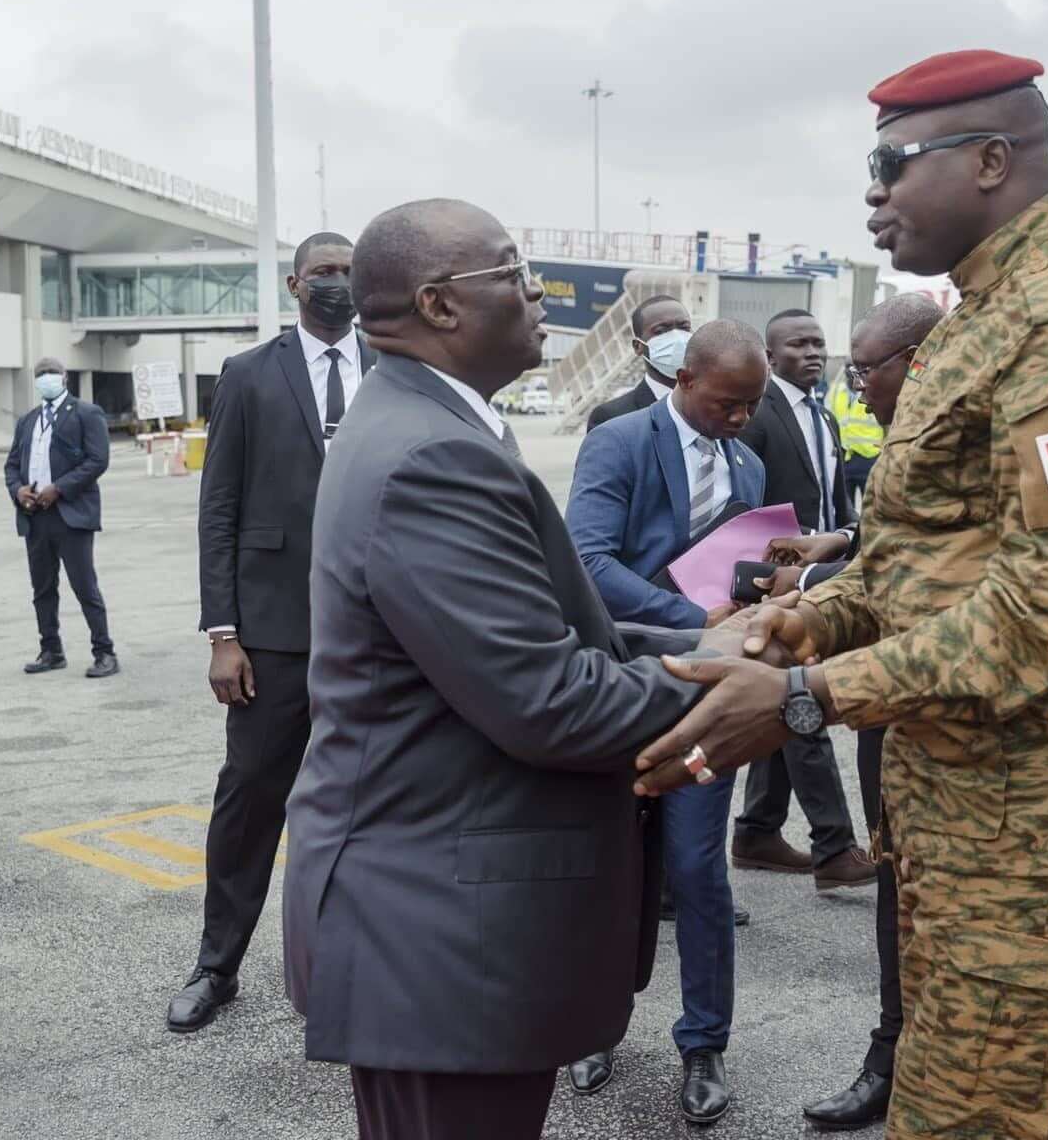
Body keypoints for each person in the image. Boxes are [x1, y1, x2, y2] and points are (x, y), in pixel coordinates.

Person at [644, 50, 1048, 1140]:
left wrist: (805, 693)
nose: (871, 193)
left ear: (993, 161)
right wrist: (803, 618)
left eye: (889, 164)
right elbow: (919, 559)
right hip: (970, 803)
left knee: (989, 1120)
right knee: (944, 1103)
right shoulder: (975, 321)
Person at [282, 198, 746, 1140]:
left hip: (443, 920)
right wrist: (722, 679)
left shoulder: (437, 423)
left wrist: (695, 648)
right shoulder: (429, 456)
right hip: (441, 936)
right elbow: (548, 700)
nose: (539, 294)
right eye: (515, 273)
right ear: (440, 304)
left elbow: (544, 633)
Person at [564, 320, 770, 1124]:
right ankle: (590, 1026)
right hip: (623, 686)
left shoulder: (746, 462)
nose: (739, 421)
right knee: (610, 865)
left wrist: (769, 595)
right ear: (684, 380)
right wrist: (694, 617)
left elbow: (741, 573)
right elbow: (589, 562)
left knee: (695, 869)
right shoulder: (620, 442)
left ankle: (704, 1043)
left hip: (708, 699)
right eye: (727, 403)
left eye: (750, 407)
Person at [170, 233, 375, 1034]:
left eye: (349, 272)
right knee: (253, 797)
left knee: (375, 803)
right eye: (324, 272)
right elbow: (218, 506)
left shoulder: (395, 370)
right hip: (275, 634)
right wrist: (225, 633)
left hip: (376, 628)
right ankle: (216, 966)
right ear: (295, 284)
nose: (337, 284)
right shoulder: (250, 375)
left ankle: (359, 964)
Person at [763, 294, 945, 1133]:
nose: (854, 386)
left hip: (963, 722)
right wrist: (815, 586)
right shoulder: (904, 441)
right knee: (894, 885)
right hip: (891, 711)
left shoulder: (986, 434)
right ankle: (891, 1053)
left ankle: (942, 1067)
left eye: (865, 369)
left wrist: (812, 689)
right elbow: (885, 562)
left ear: (919, 359)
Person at [733, 309, 869, 891]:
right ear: (770, 357)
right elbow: (739, 503)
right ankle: (834, 846)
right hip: (772, 584)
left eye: (818, 343)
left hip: (822, 583)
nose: (812, 353)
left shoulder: (826, 418)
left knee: (785, 700)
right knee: (799, 702)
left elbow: (835, 504)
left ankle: (757, 830)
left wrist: (843, 548)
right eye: (797, 344)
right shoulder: (757, 415)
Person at [5, 358, 118, 678]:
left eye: (51, 373)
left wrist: (60, 488)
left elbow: (98, 460)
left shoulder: (86, 413)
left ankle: (104, 652)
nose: (46, 379)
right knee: (42, 588)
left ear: (64, 377)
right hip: (35, 515)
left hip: (71, 514)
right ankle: (51, 650)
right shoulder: (27, 421)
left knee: (84, 586)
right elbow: (11, 465)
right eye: (40, 375)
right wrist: (18, 491)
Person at [586, 295, 692, 431]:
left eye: (684, 328)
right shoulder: (610, 417)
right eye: (661, 331)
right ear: (638, 346)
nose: (678, 338)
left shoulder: (712, 407)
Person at [827, 366, 884, 501]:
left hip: (869, 458)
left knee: (872, 505)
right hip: (844, 458)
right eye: (848, 366)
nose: (850, 370)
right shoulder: (836, 391)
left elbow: (888, 424)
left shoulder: (873, 391)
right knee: (845, 509)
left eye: (854, 366)